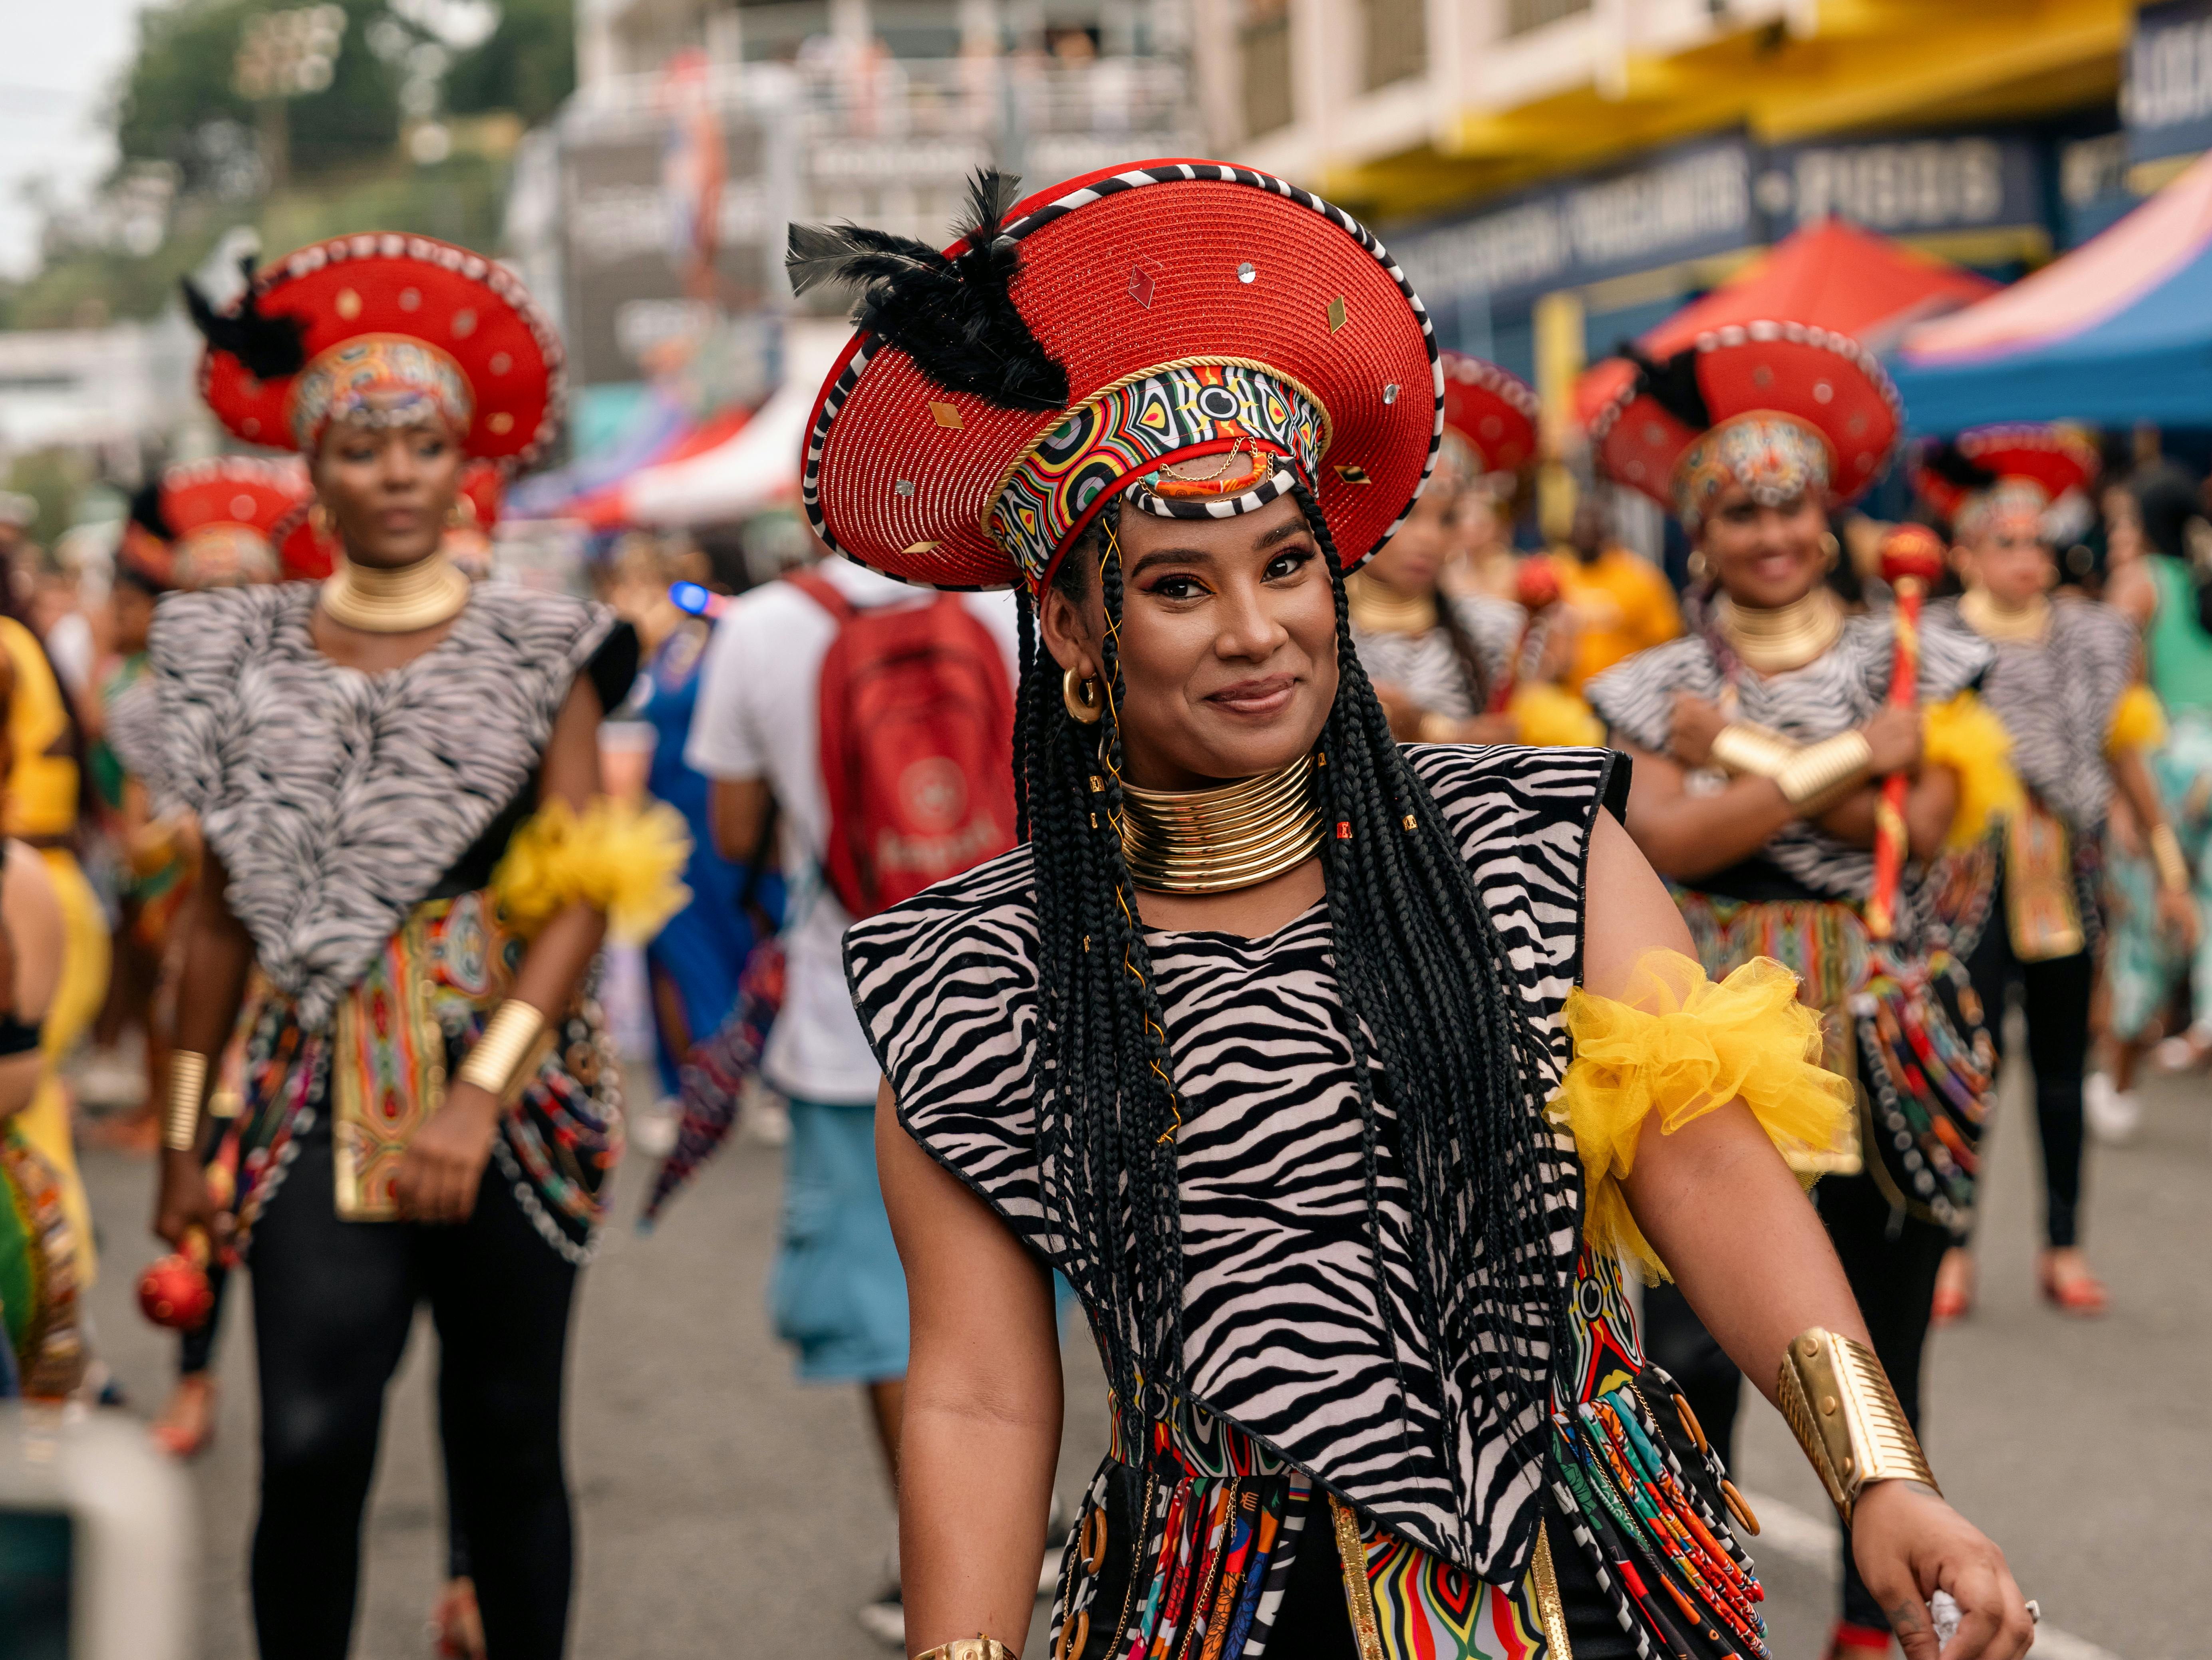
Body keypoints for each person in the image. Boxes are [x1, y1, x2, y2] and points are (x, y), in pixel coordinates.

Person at [803, 164, 2033, 1660]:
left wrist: (1881, 1474)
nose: (1255, 632)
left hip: (1588, 1583)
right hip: (1219, 1613)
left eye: (1285, 566)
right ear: (1069, 624)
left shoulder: (1531, 845)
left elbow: (1702, 1168)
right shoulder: (974, 977)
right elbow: (981, 1393)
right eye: (1178, 586)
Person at [150, 233, 685, 1660]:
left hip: (505, 1084)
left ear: (464, 466)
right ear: (310, 472)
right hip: (304, 1079)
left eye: (422, 443)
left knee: (507, 1439)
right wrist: (182, 1132)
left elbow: (584, 881)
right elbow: (210, 912)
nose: (393, 471)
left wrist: (477, 1089)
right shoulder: (246, 655)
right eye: (360, 445)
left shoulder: (542, 644)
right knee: (312, 1445)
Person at [1582, 329, 2020, 1660]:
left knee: (1880, 1338)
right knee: (1689, 1351)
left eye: (1789, 502)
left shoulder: (1922, 654)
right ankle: (1690, 1603)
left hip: (1890, 1032)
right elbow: (1659, 836)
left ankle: (1870, 1619)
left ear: (1826, 525)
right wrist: (1835, 759)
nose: (1768, 529)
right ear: (1697, 537)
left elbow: (1931, 812)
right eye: (1736, 508)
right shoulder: (1649, 685)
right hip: (1717, 1033)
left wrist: (1753, 759)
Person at [684, 515, 1018, 1644]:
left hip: (851, 1019)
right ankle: (1066, 1529)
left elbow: (731, 831)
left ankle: (928, 1556)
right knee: (1052, 1291)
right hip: (1025, 1000)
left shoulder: (767, 626)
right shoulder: (1005, 606)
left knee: (900, 1319)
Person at [1915, 429, 2191, 1322]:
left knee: (2061, 1072)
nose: (2025, 557)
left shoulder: (2092, 638)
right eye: (2003, 541)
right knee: (1966, 1068)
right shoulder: (1930, 645)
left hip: (2065, 881)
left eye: (2036, 540)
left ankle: (2061, 1243)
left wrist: (2167, 866)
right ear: (1962, 553)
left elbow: (2126, 758)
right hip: (1966, 889)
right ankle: (1949, 1245)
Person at [2096, 460, 2212, 1122]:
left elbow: (2112, 700)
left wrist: (2119, 798)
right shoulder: (2198, 581)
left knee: (2142, 919)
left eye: (2120, 522)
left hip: (2164, 763)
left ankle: (2117, 1084)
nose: (2113, 536)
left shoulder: (2138, 585)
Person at [1548, 489, 1681, 691]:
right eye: (1578, 525)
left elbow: (1666, 644)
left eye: (1591, 526)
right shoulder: (1554, 574)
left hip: (1627, 700)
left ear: (1606, 530)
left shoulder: (1640, 577)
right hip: (1568, 704)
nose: (1584, 531)